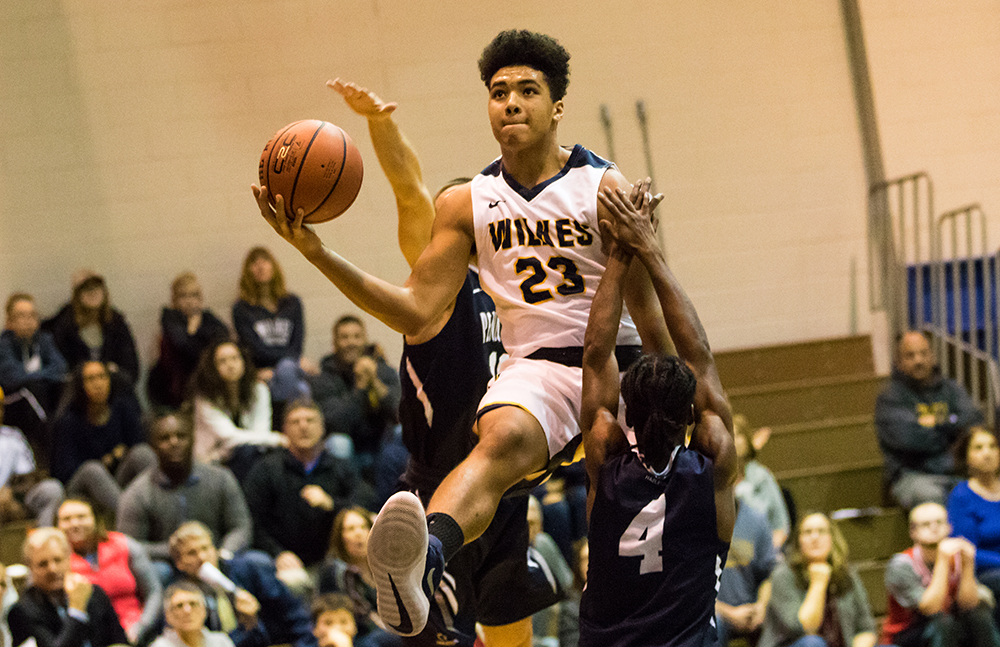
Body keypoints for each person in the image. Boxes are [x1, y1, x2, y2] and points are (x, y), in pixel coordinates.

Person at [253, 30, 666, 637]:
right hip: (535, 373)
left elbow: (651, 312)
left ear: (556, 107)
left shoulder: (602, 188)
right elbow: (416, 301)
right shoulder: (468, 204)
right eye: (499, 92)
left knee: (655, 526)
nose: (512, 102)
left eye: (528, 90)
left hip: (621, 361)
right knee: (498, 439)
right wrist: (315, 251)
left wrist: (674, 383)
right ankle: (423, 561)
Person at [329, 78, 566, 646]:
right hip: (441, 493)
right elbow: (410, 191)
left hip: (503, 491)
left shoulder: (518, 291)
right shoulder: (440, 290)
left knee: (514, 639)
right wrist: (381, 124)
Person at [575, 183, 736, 646]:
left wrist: (618, 257)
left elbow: (594, 354)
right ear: (689, 413)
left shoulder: (605, 456)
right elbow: (699, 354)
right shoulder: (713, 458)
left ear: (628, 407)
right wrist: (648, 247)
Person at [117, 409, 253, 565]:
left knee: (257, 561)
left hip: (218, 557)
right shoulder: (137, 493)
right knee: (158, 571)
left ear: (193, 440)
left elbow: (241, 527)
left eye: (181, 436)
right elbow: (129, 546)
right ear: (153, 447)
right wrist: (176, 551)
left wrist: (223, 553)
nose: (174, 443)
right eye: (165, 438)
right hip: (169, 564)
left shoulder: (221, 478)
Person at [243, 399, 359, 576]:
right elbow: (253, 521)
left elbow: (362, 507)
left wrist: (331, 504)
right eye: (295, 422)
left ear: (322, 428)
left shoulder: (340, 467)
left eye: (310, 420)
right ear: (284, 430)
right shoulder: (266, 469)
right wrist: (278, 554)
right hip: (283, 563)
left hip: (333, 560)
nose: (303, 427)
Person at [876, 331, 984, 509]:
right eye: (910, 355)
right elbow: (910, 439)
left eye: (923, 353)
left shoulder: (950, 389)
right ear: (899, 361)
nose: (918, 360)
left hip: (954, 472)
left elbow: (973, 420)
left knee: (981, 491)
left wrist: (933, 425)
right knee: (931, 496)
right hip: (911, 476)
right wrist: (951, 428)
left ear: (932, 356)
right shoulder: (890, 397)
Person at [168, 521, 317, 647]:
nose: (202, 557)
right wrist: (247, 626)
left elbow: (295, 618)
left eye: (205, 548)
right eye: (191, 553)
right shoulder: (183, 598)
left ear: (215, 549)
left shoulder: (251, 569)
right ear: (179, 563)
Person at [882, 502, 998, 647]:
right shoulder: (902, 564)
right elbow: (930, 608)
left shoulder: (958, 557)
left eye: (939, 522)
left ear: (949, 527)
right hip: (908, 633)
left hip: (946, 629)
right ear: (913, 532)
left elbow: (969, 604)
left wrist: (968, 564)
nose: (934, 528)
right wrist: (942, 560)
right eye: (926, 524)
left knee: (979, 615)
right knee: (943, 622)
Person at [51, 359, 156, 512]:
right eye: (90, 379)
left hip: (116, 481)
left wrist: (114, 459)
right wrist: (107, 460)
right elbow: (63, 472)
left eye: (102, 377)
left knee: (142, 453)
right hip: (81, 487)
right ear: (80, 385)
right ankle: (130, 515)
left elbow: (137, 443)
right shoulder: (69, 421)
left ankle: (163, 505)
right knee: (93, 469)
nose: (98, 384)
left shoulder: (122, 408)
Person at [759, 513, 876, 647]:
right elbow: (805, 628)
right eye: (808, 532)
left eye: (821, 531)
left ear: (832, 538)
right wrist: (818, 583)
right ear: (798, 541)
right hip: (798, 644)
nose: (815, 537)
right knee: (813, 643)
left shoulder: (847, 574)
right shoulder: (783, 576)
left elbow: (866, 628)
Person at [58, 497, 163, 644]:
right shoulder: (55, 560)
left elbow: (154, 591)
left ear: (95, 518)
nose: (74, 524)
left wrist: (141, 626)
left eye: (81, 517)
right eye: (67, 519)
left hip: (138, 630)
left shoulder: (123, 544)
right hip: (91, 636)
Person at [309, 315, 400, 477]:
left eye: (357, 337)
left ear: (365, 340)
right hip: (347, 446)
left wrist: (375, 383)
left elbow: (401, 412)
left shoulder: (383, 371)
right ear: (334, 343)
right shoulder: (323, 378)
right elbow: (336, 422)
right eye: (344, 337)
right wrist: (361, 388)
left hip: (381, 444)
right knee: (338, 443)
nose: (351, 343)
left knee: (401, 434)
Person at [8, 527, 128, 647]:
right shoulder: (22, 610)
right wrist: (77, 610)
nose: (52, 569)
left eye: (58, 560)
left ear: (68, 559)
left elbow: (119, 640)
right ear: (31, 569)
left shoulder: (93, 592)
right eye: (43, 564)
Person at [232, 246, 313, 412]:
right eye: (254, 263)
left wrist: (286, 365)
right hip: (262, 372)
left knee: (290, 371)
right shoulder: (241, 309)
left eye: (265, 261)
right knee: (301, 388)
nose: (260, 266)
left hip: (288, 366)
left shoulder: (292, 303)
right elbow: (253, 348)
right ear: (247, 271)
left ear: (274, 267)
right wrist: (284, 365)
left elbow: (297, 342)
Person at [191, 339, 283, 480]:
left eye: (235, 358)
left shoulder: (259, 390)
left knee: (265, 454)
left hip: (246, 454)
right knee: (248, 451)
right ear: (212, 367)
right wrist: (275, 438)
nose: (230, 365)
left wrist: (268, 440)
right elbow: (229, 437)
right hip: (211, 461)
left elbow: (261, 431)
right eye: (223, 361)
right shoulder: (205, 398)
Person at [316, 507, 402, 647]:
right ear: (340, 538)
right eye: (351, 529)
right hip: (357, 635)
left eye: (363, 527)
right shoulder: (335, 571)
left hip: (390, 630)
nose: (359, 533)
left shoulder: (386, 564)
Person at [0, 292, 67, 462]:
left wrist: (37, 377)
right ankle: (50, 439)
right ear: (10, 321)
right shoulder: (4, 345)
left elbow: (60, 368)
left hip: (41, 397)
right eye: (21, 316)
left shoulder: (45, 340)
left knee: (68, 384)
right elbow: (13, 378)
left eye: (32, 315)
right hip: (13, 401)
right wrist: (41, 378)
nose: (28, 320)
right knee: (32, 388)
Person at [44, 269, 141, 386]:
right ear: (77, 295)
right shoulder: (65, 325)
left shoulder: (116, 323)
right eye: (87, 289)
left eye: (97, 288)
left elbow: (131, 366)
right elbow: (61, 366)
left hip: (112, 384)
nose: (93, 292)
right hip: (79, 386)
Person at [148, 273, 230, 409]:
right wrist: (195, 332)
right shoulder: (170, 318)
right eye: (183, 296)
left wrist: (193, 333)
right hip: (177, 385)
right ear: (175, 299)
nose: (189, 301)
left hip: (208, 379)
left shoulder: (207, 317)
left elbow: (224, 338)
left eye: (193, 295)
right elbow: (184, 346)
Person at [947, 426, 1000, 627]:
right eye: (978, 448)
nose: (987, 453)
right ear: (967, 457)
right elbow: (968, 551)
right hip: (981, 573)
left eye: (992, 446)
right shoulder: (962, 496)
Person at [0, 386, 65, 526]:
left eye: (0, 407)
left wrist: (12, 492)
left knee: (52, 489)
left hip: (12, 499)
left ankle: (44, 542)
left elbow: (28, 476)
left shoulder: (13, 436)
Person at [716, 501, 777, 647]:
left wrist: (761, 606)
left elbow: (769, 576)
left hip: (753, 614)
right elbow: (686, 590)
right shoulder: (689, 520)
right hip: (713, 614)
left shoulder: (756, 519)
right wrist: (728, 613)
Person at [734, 413, 791, 548]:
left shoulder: (762, 476)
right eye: (728, 435)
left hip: (762, 554)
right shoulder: (710, 480)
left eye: (737, 435)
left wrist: (766, 554)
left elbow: (780, 526)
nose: (733, 440)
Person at [152, 581, 237, 647]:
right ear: (168, 616)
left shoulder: (221, 642)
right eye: (179, 606)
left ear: (204, 610)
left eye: (193, 604)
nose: (187, 610)